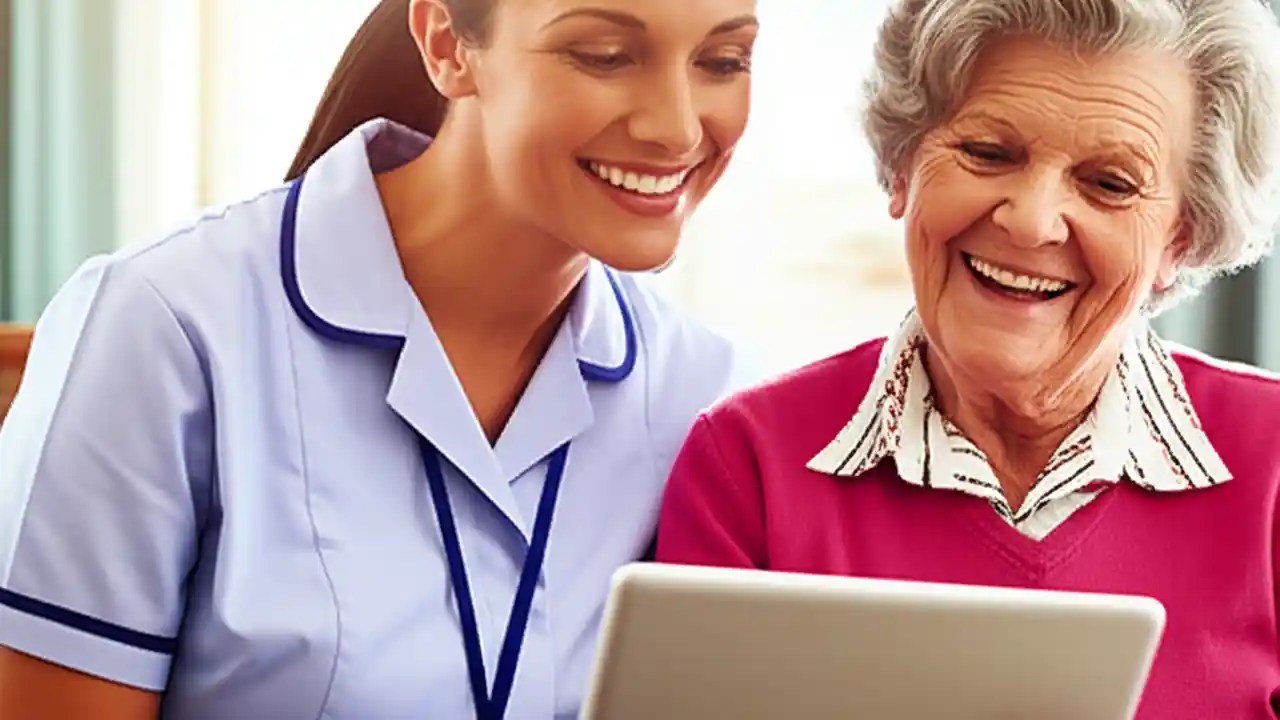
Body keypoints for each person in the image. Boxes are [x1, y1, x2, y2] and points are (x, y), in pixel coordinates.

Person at [0, 0, 760, 717]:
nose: (678, 127)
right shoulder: (166, 328)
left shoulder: (703, 395)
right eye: (606, 54)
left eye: (723, 60)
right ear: (445, 44)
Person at [657, 0, 1280, 717]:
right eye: (988, 154)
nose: (1031, 220)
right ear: (901, 169)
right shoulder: (748, 464)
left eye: (1109, 184)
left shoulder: (1273, 466)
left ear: (1182, 238)